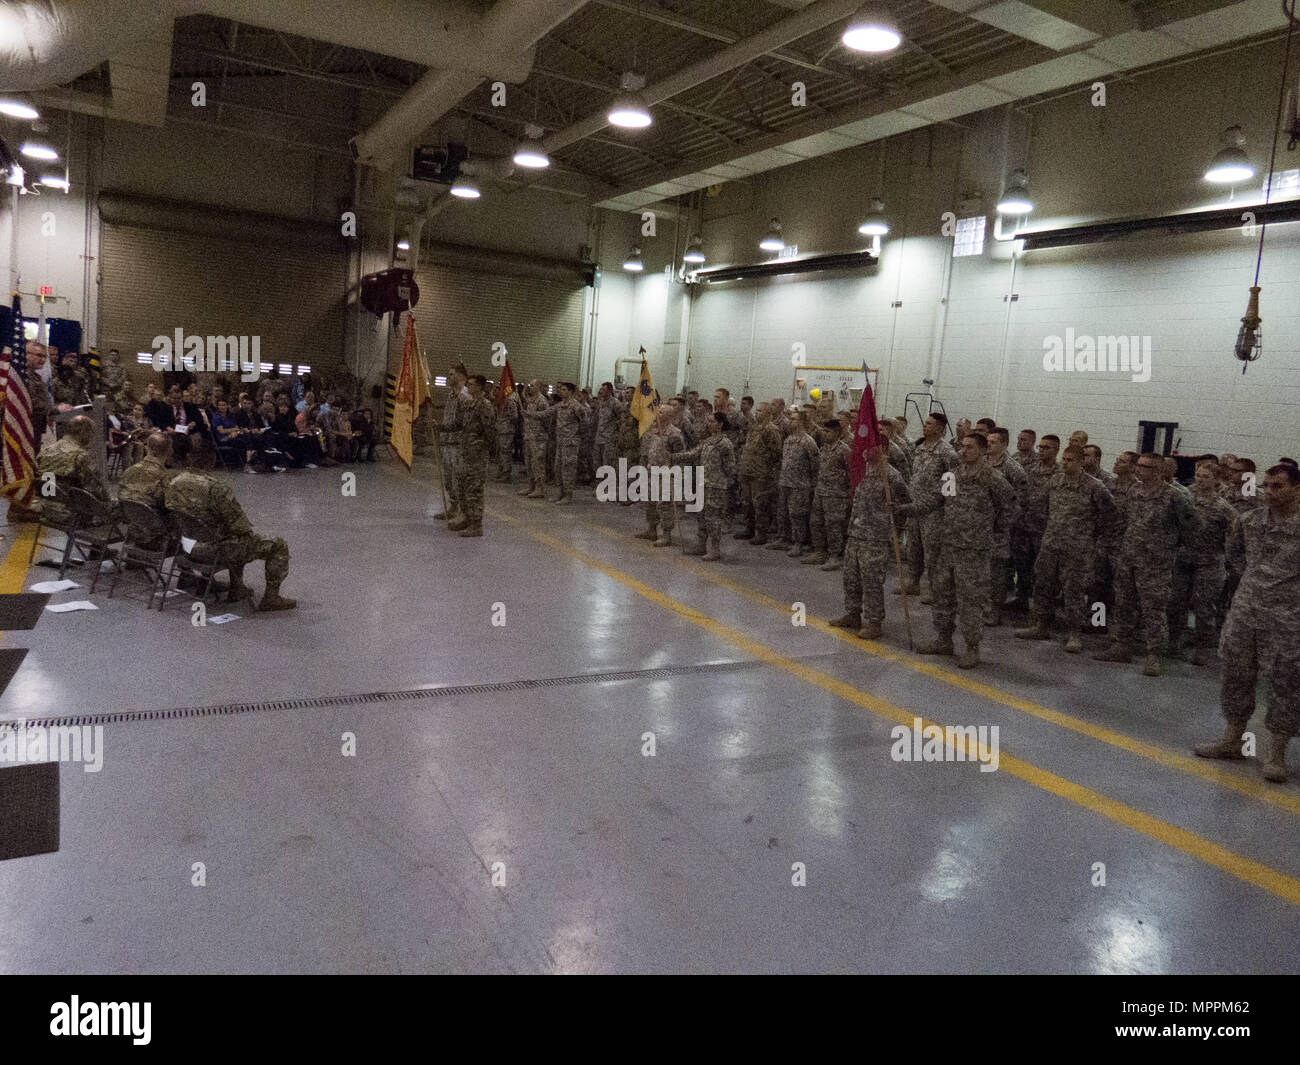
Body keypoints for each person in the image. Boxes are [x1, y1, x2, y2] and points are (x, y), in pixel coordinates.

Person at [1194, 464, 1300, 782]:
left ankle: (1277, 752)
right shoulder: (1250, 521)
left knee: (1286, 684)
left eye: (1278, 486)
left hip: (1287, 619)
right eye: (1267, 485)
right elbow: (1234, 554)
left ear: (1296, 489)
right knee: (1236, 676)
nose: (1270, 492)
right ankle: (1233, 739)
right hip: (1245, 613)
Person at [899, 431, 1017, 668]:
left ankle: (972, 647)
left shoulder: (992, 478)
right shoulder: (952, 476)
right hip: (948, 546)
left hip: (973, 551)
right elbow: (934, 502)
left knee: (970, 601)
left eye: (970, 447)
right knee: (942, 595)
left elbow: (1011, 508)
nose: (963, 451)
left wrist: (993, 533)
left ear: (983, 450)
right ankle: (943, 640)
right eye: (962, 447)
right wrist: (905, 508)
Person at [164, 433, 296, 611]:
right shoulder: (216, 488)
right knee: (276, 545)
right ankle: (271, 598)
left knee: (222, 534)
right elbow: (240, 527)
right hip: (215, 551)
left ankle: (236, 588)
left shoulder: (172, 483)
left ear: (188, 457)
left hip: (187, 547)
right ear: (212, 458)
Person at [1093, 451, 1195, 676]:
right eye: (1138, 465)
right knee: (1124, 603)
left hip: (1156, 564)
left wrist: (1170, 549)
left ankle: (1153, 654)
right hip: (1129, 557)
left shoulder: (1174, 496)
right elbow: (1127, 520)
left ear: (1157, 470)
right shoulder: (1134, 491)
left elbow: (1191, 527)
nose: (1139, 470)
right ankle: (1121, 646)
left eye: (1145, 467)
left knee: (1153, 610)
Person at [1015, 443, 1115, 653]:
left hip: (1077, 548)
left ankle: (1074, 633)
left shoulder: (1094, 486)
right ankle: (1041, 624)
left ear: (1081, 463)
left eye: (1071, 461)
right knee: (1043, 584)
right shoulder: (1055, 481)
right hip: (1051, 543)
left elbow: (1110, 514)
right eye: (1065, 460)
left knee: (1073, 591)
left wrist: (1093, 536)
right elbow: (1042, 506)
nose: (1066, 464)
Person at [830, 450, 911, 641]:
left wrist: (894, 530)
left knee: (872, 581)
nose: (864, 451)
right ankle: (852, 614)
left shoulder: (891, 475)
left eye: (869, 447)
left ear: (882, 448)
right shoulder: (862, 469)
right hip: (856, 533)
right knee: (851, 577)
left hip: (876, 537)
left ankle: (874, 622)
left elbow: (905, 504)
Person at [1167, 459, 1238, 665]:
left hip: (1209, 562)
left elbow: (1235, 536)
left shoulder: (1223, 507)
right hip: (1183, 558)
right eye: (1198, 475)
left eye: (1206, 477)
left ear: (1216, 480)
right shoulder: (1184, 498)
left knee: (1204, 607)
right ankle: (1173, 642)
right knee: (1176, 602)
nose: (1200, 480)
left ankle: (1202, 649)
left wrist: (1228, 558)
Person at [901, 412, 955, 598]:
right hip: (915, 507)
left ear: (940, 429)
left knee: (932, 552)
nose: (925, 426)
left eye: (930, 424)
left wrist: (945, 507)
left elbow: (951, 484)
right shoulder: (920, 448)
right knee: (913, 548)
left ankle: (934, 590)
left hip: (933, 511)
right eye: (925, 422)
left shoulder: (947, 452)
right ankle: (912, 582)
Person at [676, 410, 736, 561]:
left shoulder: (725, 444)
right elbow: (692, 454)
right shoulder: (707, 441)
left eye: (712, 422)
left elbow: (730, 467)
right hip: (703, 484)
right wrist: (673, 456)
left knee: (713, 518)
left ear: (720, 424)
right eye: (708, 421)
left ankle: (715, 549)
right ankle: (701, 545)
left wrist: (723, 481)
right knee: (701, 516)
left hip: (716, 486)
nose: (709, 424)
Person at [34, 414, 108, 527]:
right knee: (121, 514)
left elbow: (44, 488)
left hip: (46, 510)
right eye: (91, 433)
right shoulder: (80, 455)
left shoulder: (45, 451)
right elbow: (95, 491)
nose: (91, 438)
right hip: (71, 515)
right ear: (83, 432)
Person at [985, 427, 1027, 625]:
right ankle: (982, 605)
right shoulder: (982, 463)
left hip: (1000, 529)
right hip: (980, 527)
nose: (989, 445)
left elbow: (1020, 502)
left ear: (1004, 444)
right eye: (988, 441)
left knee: (997, 571)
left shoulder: (1013, 469)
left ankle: (995, 609)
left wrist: (1005, 524)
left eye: (993, 442)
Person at [449, 375, 495, 537]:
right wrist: (440, 427)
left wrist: (482, 449)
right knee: (462, 487)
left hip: (477, 456)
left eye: (471, 384)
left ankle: (477, 524)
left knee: (474, 490)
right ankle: (466, 518)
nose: (468, 386)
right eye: (467, 383)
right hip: (465, 452)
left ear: (480, 387)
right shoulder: (469, 404)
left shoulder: (485, 406)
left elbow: (489, 431)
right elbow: (459, 424)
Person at [769, 410, 819, 557]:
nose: (791, 422)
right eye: (790, 419)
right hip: (785, 482)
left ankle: (798, 543)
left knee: (797, 515)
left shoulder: (808, 441)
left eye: (794, 420)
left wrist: (811, 483)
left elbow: (815, 464)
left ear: (802, 422)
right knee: (782, 512)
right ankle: (783, 538)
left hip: (800, 484)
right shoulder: (788, 440)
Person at [525, 381, 583, 504]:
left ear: (570, 392)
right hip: (560, 442)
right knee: (558, 468)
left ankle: (568, 495)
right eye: (561, 389)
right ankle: (560, 493)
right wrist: (530, 414)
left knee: (568, 469)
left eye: (564, 390)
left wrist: (576, 437)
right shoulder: (560, 405)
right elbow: (546, 413)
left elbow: (585, 423)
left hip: (571, 443)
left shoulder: (576, 406)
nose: (561, 392)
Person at [804, 419, 850, 570]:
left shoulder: (844, 450)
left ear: (837, 432)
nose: (825, 434)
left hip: (836, 495)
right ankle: (819, 552)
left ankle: (834, 556)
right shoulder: (823, 448)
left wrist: (847, 493)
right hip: (821, 491)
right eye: (824, 431)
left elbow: (851, 473)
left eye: (828, 432)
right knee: (816, 522)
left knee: (833, 526)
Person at [636, 406, 684, 547]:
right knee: (650, 502)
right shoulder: (653, 430)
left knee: (664, 505)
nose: (657, 414)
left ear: (669, 416)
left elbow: (681, 456)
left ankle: (666, 534)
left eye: (661, 412)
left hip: (666, 474)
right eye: (657, 411)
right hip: (652, 471)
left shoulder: (674, 433)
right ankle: (652, 530)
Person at [736, 402, 781, 545]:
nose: (757, 413)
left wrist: (764, 465)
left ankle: (761, 533)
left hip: (760, 474)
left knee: (760, 504)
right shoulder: (754, 428)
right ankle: (749, 528)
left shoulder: (771, 430)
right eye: (757, 411)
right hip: (747, 470)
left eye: (761, 411)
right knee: (746, 502)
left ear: (768, 414)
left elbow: (776, 453)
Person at [519, 380, 551, 498]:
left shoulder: (542, 401)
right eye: (529, 385)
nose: (529, 387)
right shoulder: (530, 400)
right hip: (529, 436)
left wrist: (542, 433)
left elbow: (547, 418)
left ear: (538, 387)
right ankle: (531, 486)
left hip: (539, 437)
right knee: (529, 462)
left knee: (538, 464)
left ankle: (540, 488)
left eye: (532, 386)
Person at [495, 382, 522, 483]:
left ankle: (506, 474)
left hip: (507, 430)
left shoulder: (510, 401)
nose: (496, 391)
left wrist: (508, 425)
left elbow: (515, 416)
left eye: (498, 389)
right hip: (501, 429)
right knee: (501, 452)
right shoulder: (501, 401)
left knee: (506, 452)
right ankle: (501, 470)